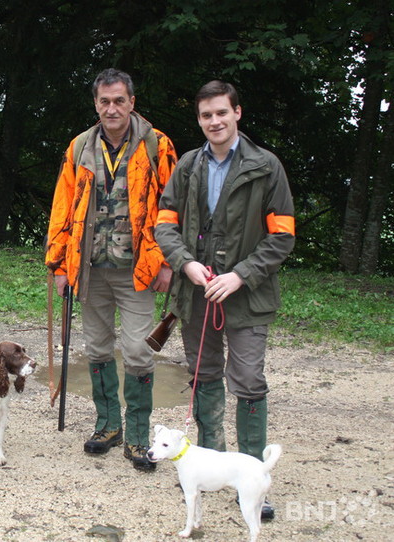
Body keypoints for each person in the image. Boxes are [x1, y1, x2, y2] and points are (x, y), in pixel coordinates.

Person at [155, 80, 295, 518]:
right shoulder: (188, 166)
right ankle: (211, 467)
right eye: (205, 115)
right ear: (199, 119)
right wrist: (185, 264)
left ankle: (252, 479)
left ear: (237, 113)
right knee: (205, 376)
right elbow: (164, 225)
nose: (214, 121)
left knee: (249, 382)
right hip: (197, 296)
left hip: (247, 296)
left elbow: (283, 235)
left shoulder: (266, 166)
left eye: (221, 112)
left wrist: (241, 275)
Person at [45, 69, 176, 469]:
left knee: (138, 349)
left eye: (119, 100)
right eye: (105, 101)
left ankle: (138, 435)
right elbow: (62, 208)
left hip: (139, 268)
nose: (112, 108)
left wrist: (169, 261)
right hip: (89, 268)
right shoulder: (79, 147)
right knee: (97, 348)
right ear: (96, 104)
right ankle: (108, 425)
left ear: (132, 102)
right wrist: (59, 263)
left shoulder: (157, 145)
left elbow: (174, 209)